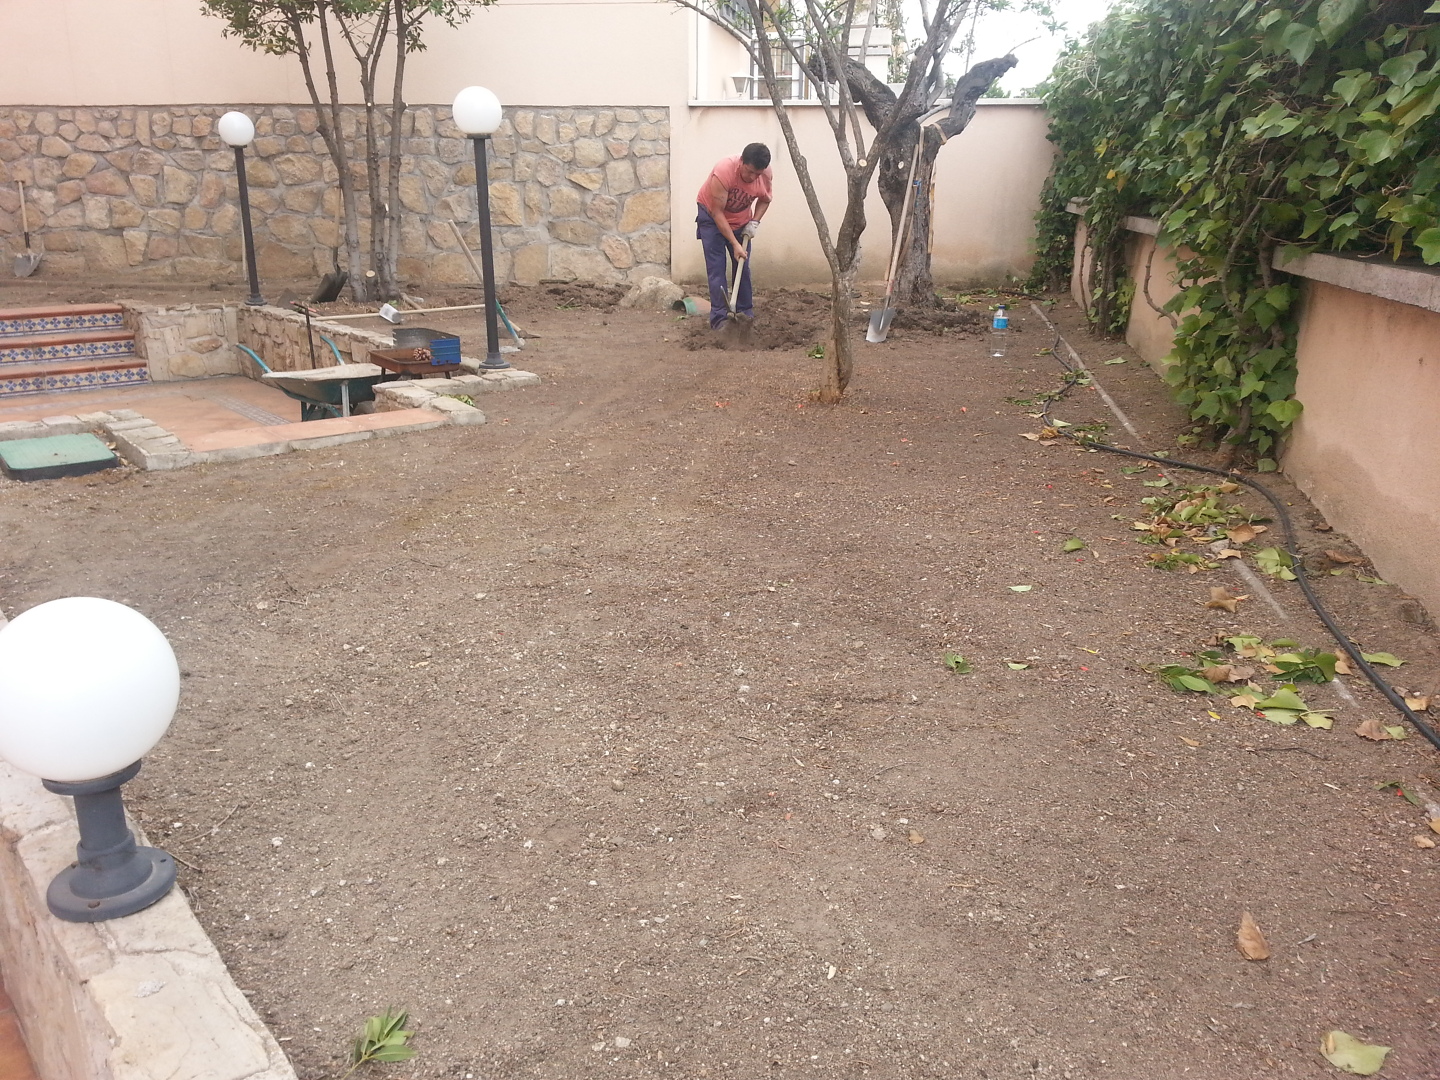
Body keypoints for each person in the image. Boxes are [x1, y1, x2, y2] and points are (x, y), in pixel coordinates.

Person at [696, 143, 773, 330]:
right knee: (717, 268)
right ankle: (720, 320)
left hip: (741, 221)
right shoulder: (723, 172)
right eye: (749, 172)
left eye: (757, 174)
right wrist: (734, 243)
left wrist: (754, 222)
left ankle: (745, 313)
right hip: (712, 218)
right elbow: (717, 213)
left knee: (743, 267)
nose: (753, 178)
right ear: (741, 163)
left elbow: (765, 199)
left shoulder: (765, 174)